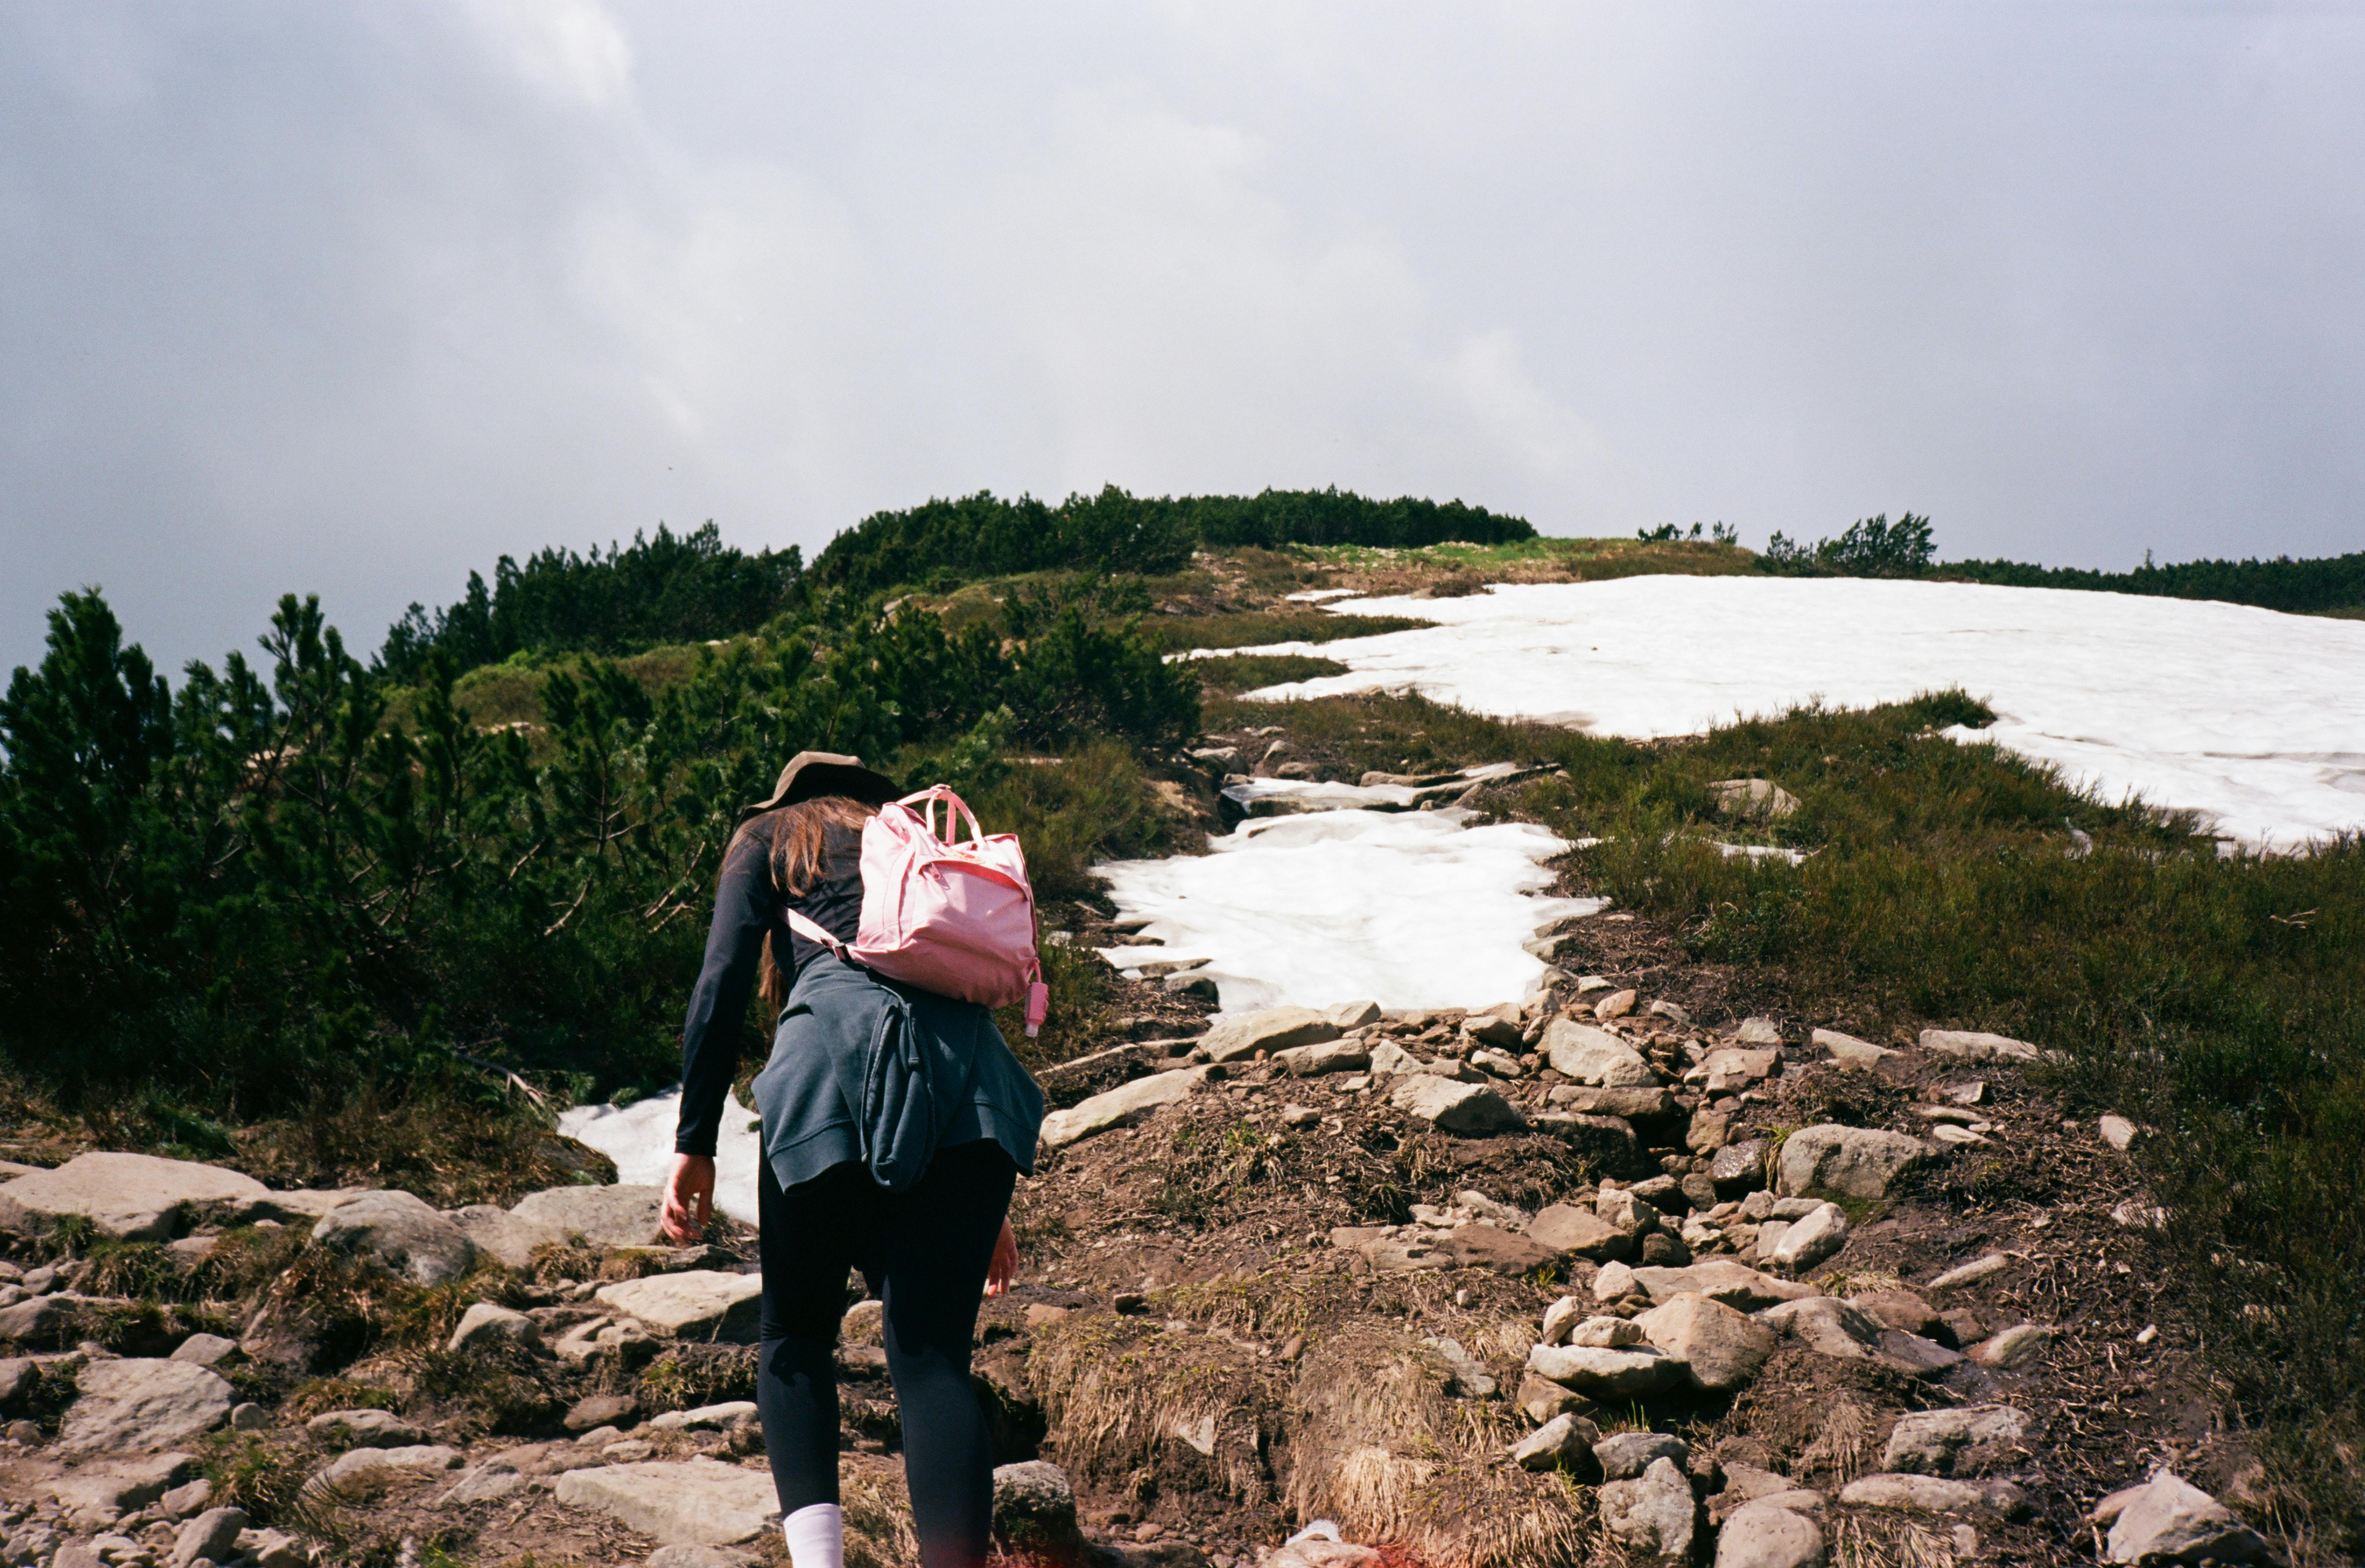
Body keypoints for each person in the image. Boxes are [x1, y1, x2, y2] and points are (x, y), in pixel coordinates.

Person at [659, 752, 1046, 1568]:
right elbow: (934, 1004)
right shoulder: (906, 844)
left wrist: (694, 1141)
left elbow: (721, 981)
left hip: (828, 1077)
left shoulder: (770, 835)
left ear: (791, 798)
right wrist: (986, 1202)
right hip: (973, 1098)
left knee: (796, 1337)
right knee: (932, 1357)